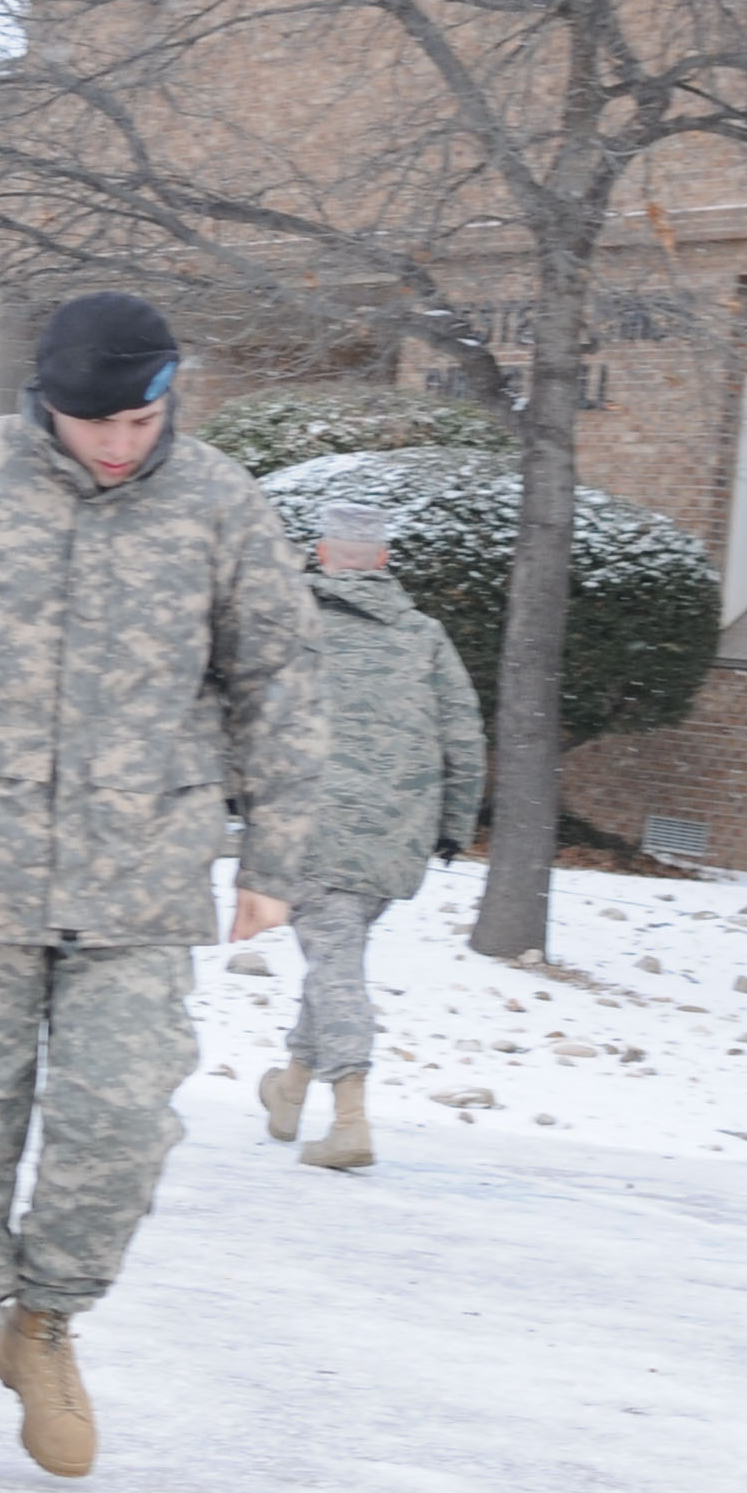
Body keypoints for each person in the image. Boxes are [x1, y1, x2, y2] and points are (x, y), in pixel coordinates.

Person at [0, 292, 325, 1488]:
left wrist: (276, 858)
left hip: (138, 882)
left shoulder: (218, 501)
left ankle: (40, 1322)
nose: (114, 444)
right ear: (44, 400)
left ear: (167, 396)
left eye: (137, 421)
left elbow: (282, 676)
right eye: (89, 422)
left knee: (119, 1124)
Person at [260, 501, 485, 1171]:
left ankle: (350, 1115)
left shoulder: (291, 625)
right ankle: (289, 1089)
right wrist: (452, 826)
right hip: (394, 836)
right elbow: (464, 736)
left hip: (310, 830)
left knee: (335, 967)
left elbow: (249, 712)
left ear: (319, 556)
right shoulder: (424, 635)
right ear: (383, 561)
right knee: (338, 954)